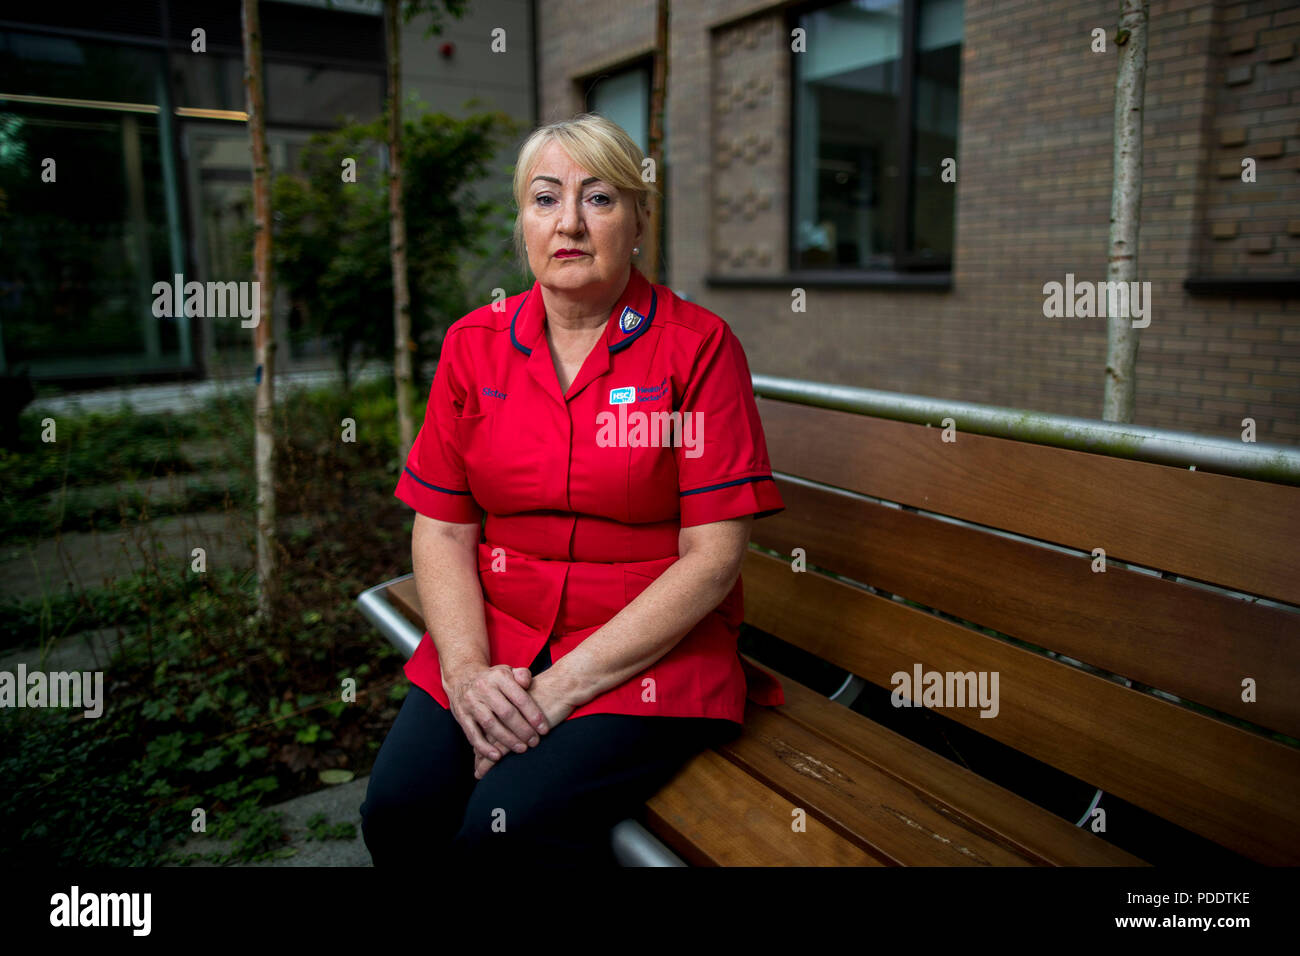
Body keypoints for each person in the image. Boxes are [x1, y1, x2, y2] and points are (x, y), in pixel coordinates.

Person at [359, 113, 786, 868]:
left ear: (639, 221)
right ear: (523, 222)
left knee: (510, 827)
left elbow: (713, 557)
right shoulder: (473, 344)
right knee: (399, 810)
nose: (570, 223)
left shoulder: (699, 348)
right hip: (494, 636)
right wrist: (466, 677)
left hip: (648, 653)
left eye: (599, 199)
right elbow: (444, 527)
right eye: (546, 198)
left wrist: (553, 696)